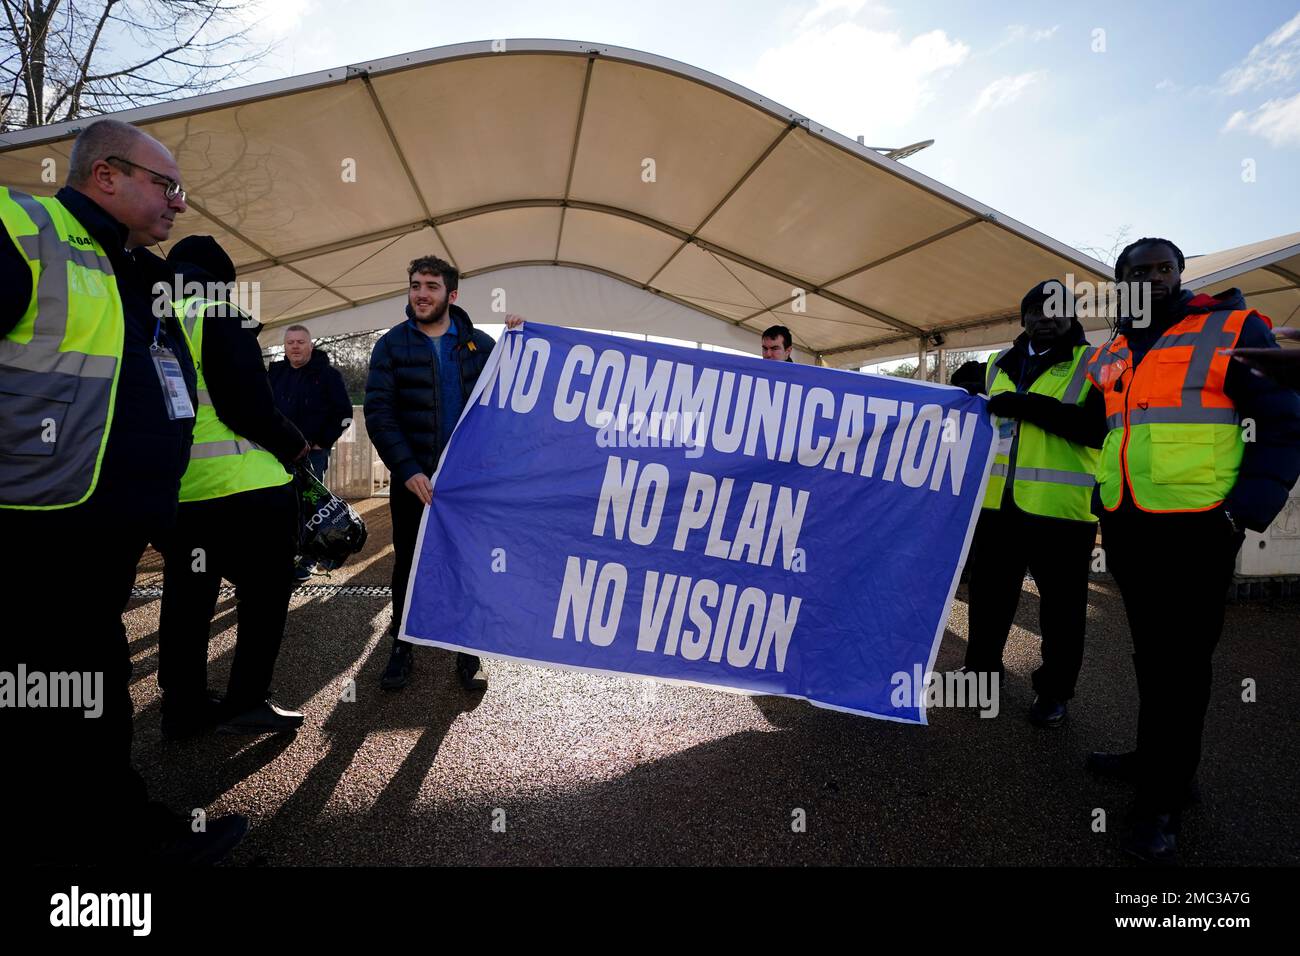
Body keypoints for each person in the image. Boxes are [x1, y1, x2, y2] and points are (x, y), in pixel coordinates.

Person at [0, 119, 248, 863]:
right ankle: (114, 840)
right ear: (106, 175)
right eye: (166, 185)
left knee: (80, 682)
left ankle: (100, 822)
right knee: (61, 688)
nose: (178, 203)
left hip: (101, 526)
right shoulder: (25, 225)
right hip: (35, 524)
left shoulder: (135, 273)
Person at [1084, 237, 1300, 863]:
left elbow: (1284, 420)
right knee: (1152, 656)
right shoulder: (1118, 347)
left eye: (1163, 268)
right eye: (1136, 271)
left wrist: (1242, 512)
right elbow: (1110, 426)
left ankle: (1163, 803)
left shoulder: (1234, 326)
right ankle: (1158, 764)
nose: (1151, 278)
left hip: (1199, 529)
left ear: (1179, 275)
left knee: (1181, 667)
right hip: (1130, 524)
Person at [156, 236, 312, 739]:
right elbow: (246, 406)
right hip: (246, 490)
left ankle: (181, 707)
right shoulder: (217, 312)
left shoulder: (151, 315)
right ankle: (247, 702)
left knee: (186, 600)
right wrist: (294, 444)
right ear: (220, 277)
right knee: (264, 596)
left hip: (183, 490)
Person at [365, 256, 516, 692]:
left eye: (431, 286)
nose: (421, 294)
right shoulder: (392, 345)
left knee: (468, 563)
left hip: (468, 485)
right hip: (414, 481)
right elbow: (379, 413)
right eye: (415, 285)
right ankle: (402, 645)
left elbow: (512, 399)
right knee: (409, 565)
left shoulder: (482, 346)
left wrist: (521, 338)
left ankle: (468, 650)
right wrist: (407, 469)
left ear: (451, 295)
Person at [960, 280, 1106, 726]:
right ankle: (980, 674)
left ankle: (1054, 692)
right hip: (996, 509)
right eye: (1036, 312)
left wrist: (1025, 405)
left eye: (1057, 311)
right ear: (1022, 318)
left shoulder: (1094, 364)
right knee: (988, 601)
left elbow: (1095, 428)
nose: (1047, 320)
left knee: (1061, 611)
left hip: (1061, 513)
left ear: (1073, 317)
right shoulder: (997, 364)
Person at [268, 325, 353, 481]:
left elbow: (345, 415)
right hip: (276, 452)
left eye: (300, 342)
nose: (295, 346)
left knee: (310, 502)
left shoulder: (329, 376)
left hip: (312, 455)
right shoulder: (273, 375)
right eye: (290, 342)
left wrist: (322, 442)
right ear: (284, 346)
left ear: (311, 346)